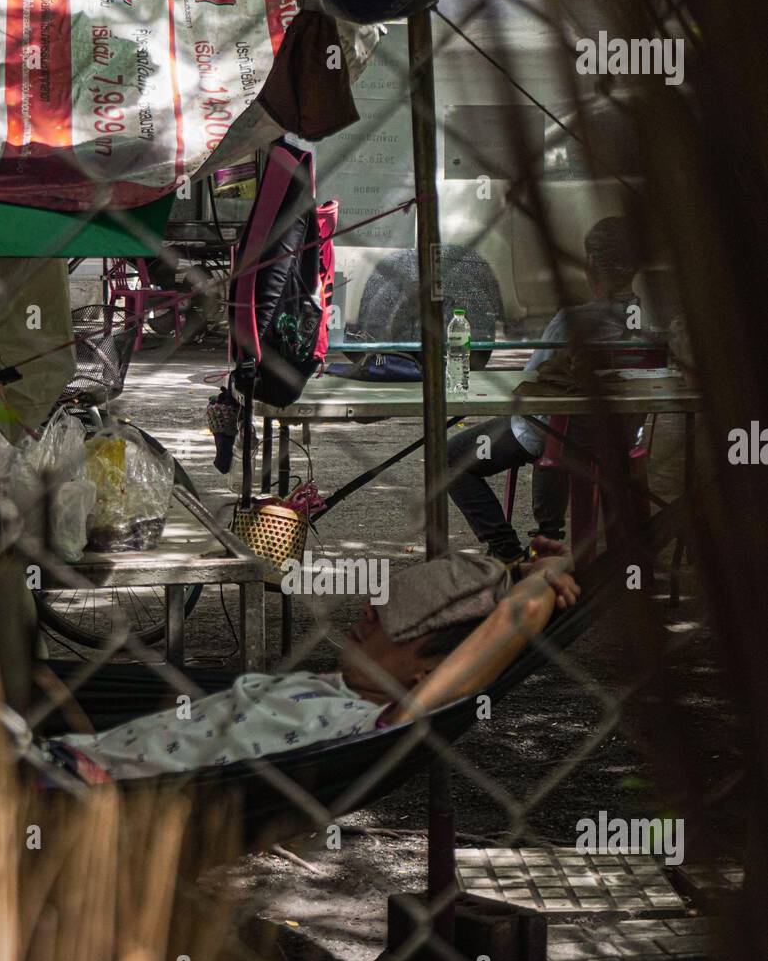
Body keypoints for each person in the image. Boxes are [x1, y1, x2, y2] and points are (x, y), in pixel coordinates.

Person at [43, 544, 579, 783]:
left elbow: (512, 621)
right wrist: (528, 566)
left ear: (423, 676)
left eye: (399, 621)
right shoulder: (332, 689)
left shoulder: (376, 727)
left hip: (77, 786)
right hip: (64, 756)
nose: (370, 613)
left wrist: (544, 581)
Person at [445, 216, 642, 564]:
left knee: (448, 458)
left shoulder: (571, 321)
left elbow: (533, 379)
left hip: (549, 434)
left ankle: (505, 548)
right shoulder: (641, 319)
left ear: (591, 265)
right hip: (617, 436)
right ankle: (546, 536)